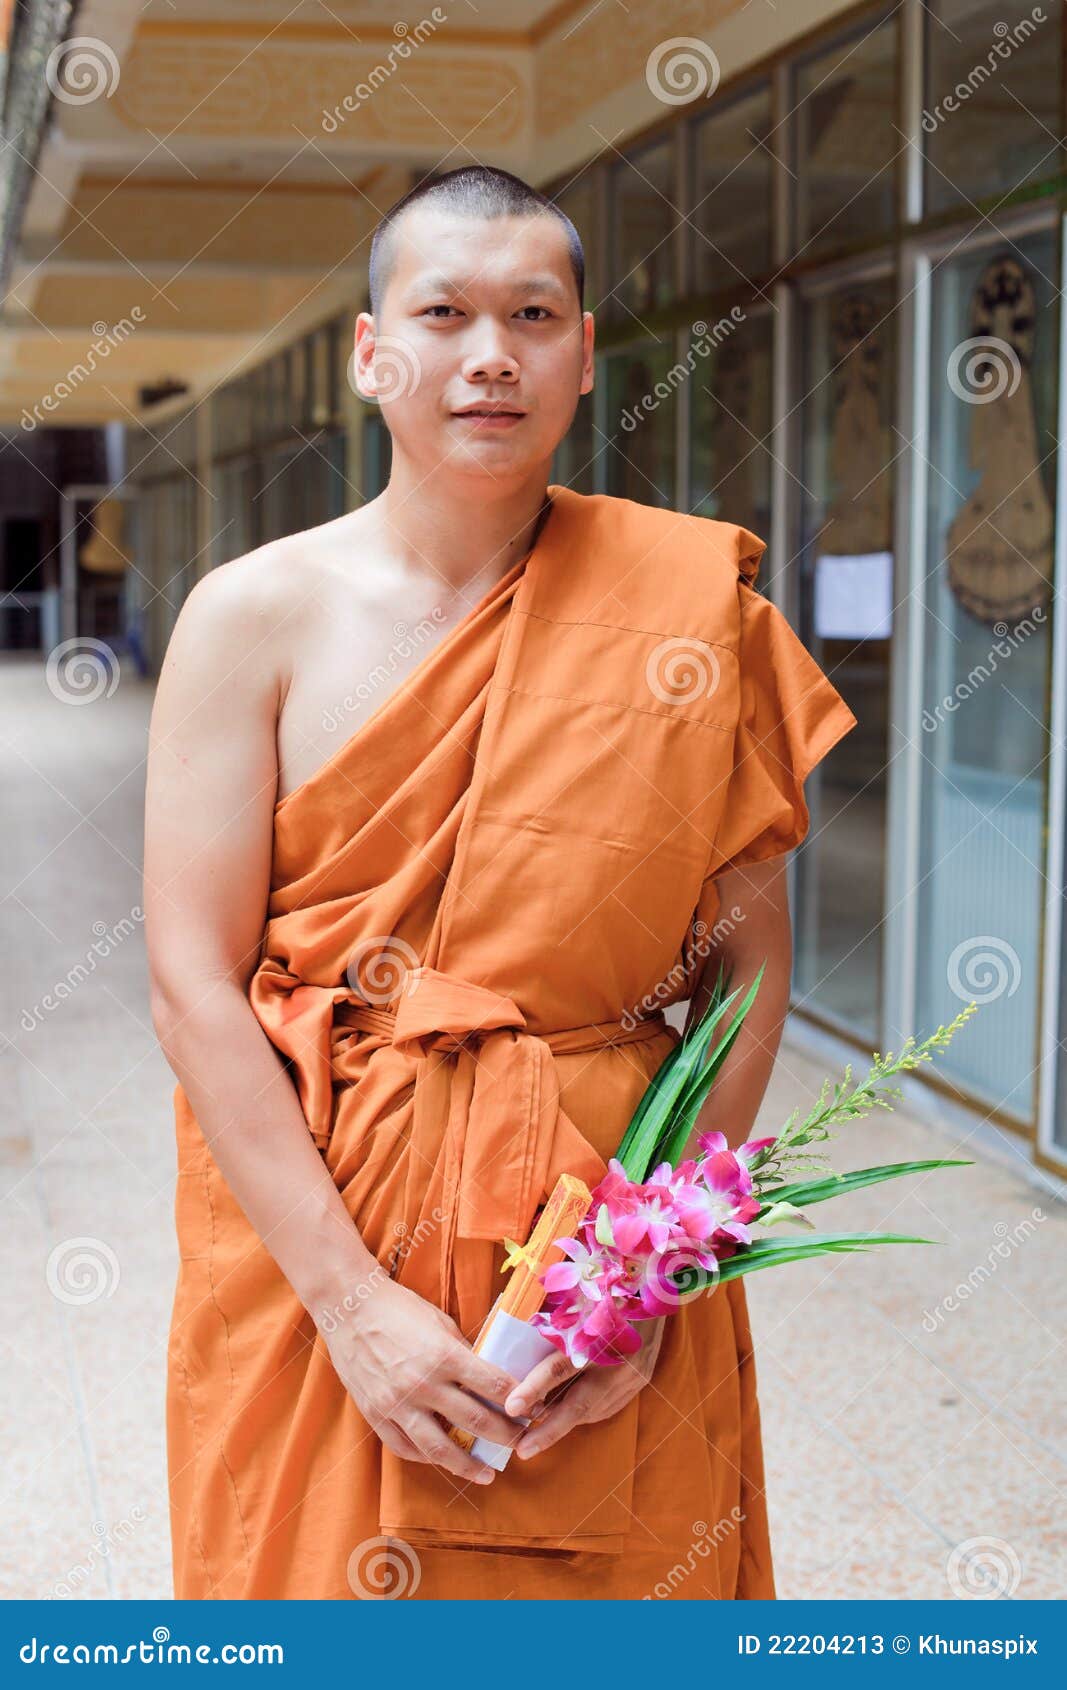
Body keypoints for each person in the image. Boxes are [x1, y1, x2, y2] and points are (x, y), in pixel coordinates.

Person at [144, 164, 856, 1600]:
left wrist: (651, 1281)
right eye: (446, 311)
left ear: (586, 356)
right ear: (371, 353)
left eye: (534, 313)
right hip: (320, 1236)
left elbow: (748, 976)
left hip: (595, 1249)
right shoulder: (255, 617)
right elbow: (191, 980)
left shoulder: (690, 611)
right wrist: (352, 1306)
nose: (490, 354)